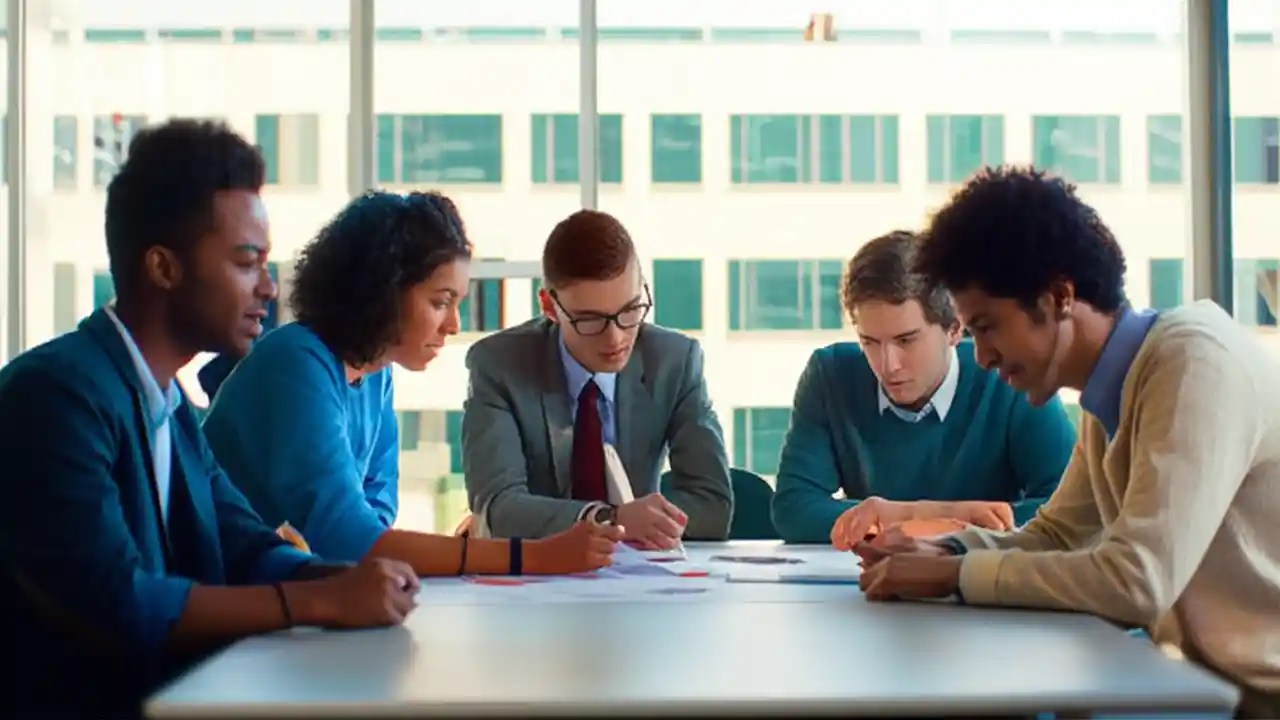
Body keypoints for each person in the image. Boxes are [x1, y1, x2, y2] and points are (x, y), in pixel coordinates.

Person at [0, 120, 419, 719]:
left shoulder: (170, 405)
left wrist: (343, 577)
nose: (269, 289)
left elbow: (243, 545)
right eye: (247, 263)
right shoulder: (55, 396)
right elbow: (118, 600)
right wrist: (320, 601)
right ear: (163, 267)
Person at [852, 166, 1280, 718]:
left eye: (987, 326)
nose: (979, 357)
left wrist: (953, 575)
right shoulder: (1118, 385)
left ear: (1058, 298)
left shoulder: (1192, 365)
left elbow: (1135, 580)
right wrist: (943, 551)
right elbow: (1059, 534)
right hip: (1203, 686)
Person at [203, 191, 621, 576]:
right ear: (382, 291)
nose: (454, 325)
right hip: (220, 604)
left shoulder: (374, 374)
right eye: (441, 302)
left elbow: (377, 516)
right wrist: (531, 556)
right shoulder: (296, 361)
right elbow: (349, 539)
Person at [772, 230, 1075, 544]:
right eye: (870, 342)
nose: (888, 365)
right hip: (872, 581)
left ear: (954, 329)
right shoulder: (831, 374)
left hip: (980, 581)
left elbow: (1074, 509)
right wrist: (916, 517)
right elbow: (794, 509)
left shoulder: (1010, 377)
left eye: (906, 340)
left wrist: (905, 520)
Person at [463, 210, 733, 546]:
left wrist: (648, 521)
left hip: (642, 580)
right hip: (539, 578)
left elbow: (713, 506)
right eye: (590, 320)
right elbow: (497, 510)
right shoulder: (499, 365)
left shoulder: (675, 361)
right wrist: (611, 519)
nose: (616, 339)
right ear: (550, 306)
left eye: (630, 311)